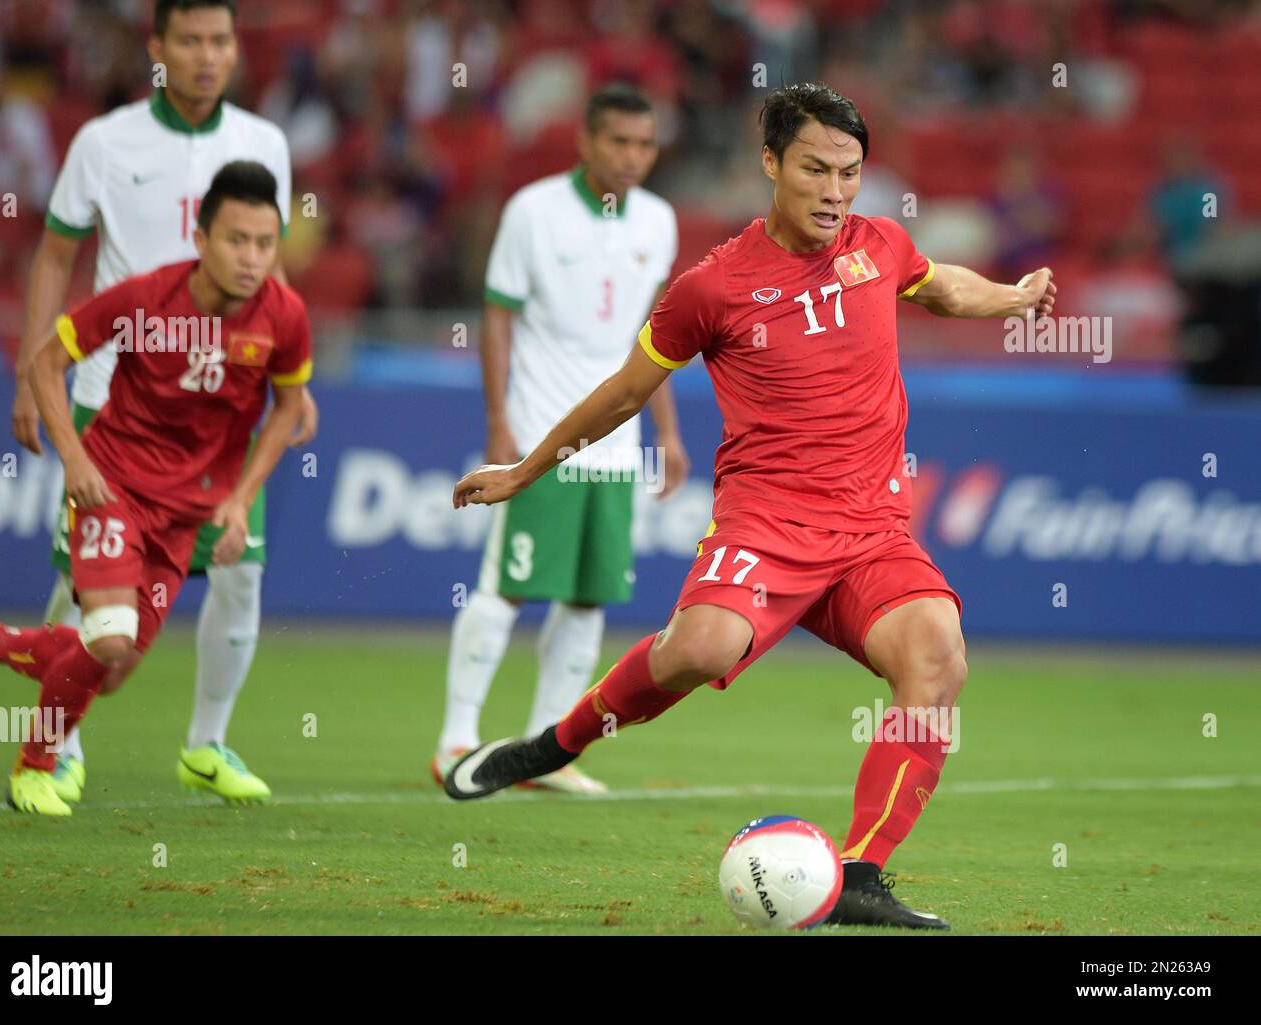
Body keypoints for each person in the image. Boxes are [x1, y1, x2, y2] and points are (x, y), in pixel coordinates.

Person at [443, 83, 1057, 929]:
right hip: (766, 524)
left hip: (871, 532)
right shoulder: (715, 286)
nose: (835, 191)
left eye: (850, 172)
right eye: (815, 169)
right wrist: (525, 469)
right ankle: (554, 743)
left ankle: (862, 873)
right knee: (697, 648)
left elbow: (940, 287)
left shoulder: (879, 245)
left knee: (938, 655)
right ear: (770, 163)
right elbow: (627, 391)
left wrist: (1013, 298)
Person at [8, 0, 314, 805]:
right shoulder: (104, 143)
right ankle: (59, 742)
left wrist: (293, 381)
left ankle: (206, 743)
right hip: (110, 399)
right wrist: (26, 373)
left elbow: (265, 256)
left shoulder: (263, 143)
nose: (207, 56)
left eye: (221, 41)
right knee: (80, 589)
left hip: (219, 417)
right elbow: (53, 258)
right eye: (191, 41)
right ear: (157, 47)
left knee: (241, 572)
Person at [431, 83, 689, 794]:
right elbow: (497, 316)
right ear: (585, 141)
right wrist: (497, 422)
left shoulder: (659, 222)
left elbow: (656, 341)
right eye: (619, 142)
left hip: (617, 446)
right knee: (506, 588)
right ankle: (456, 736)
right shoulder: (533, 212)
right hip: (544, 436)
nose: (633, 157)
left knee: (587, 599)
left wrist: (666, 432)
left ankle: (546, 752)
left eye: (645, 144)